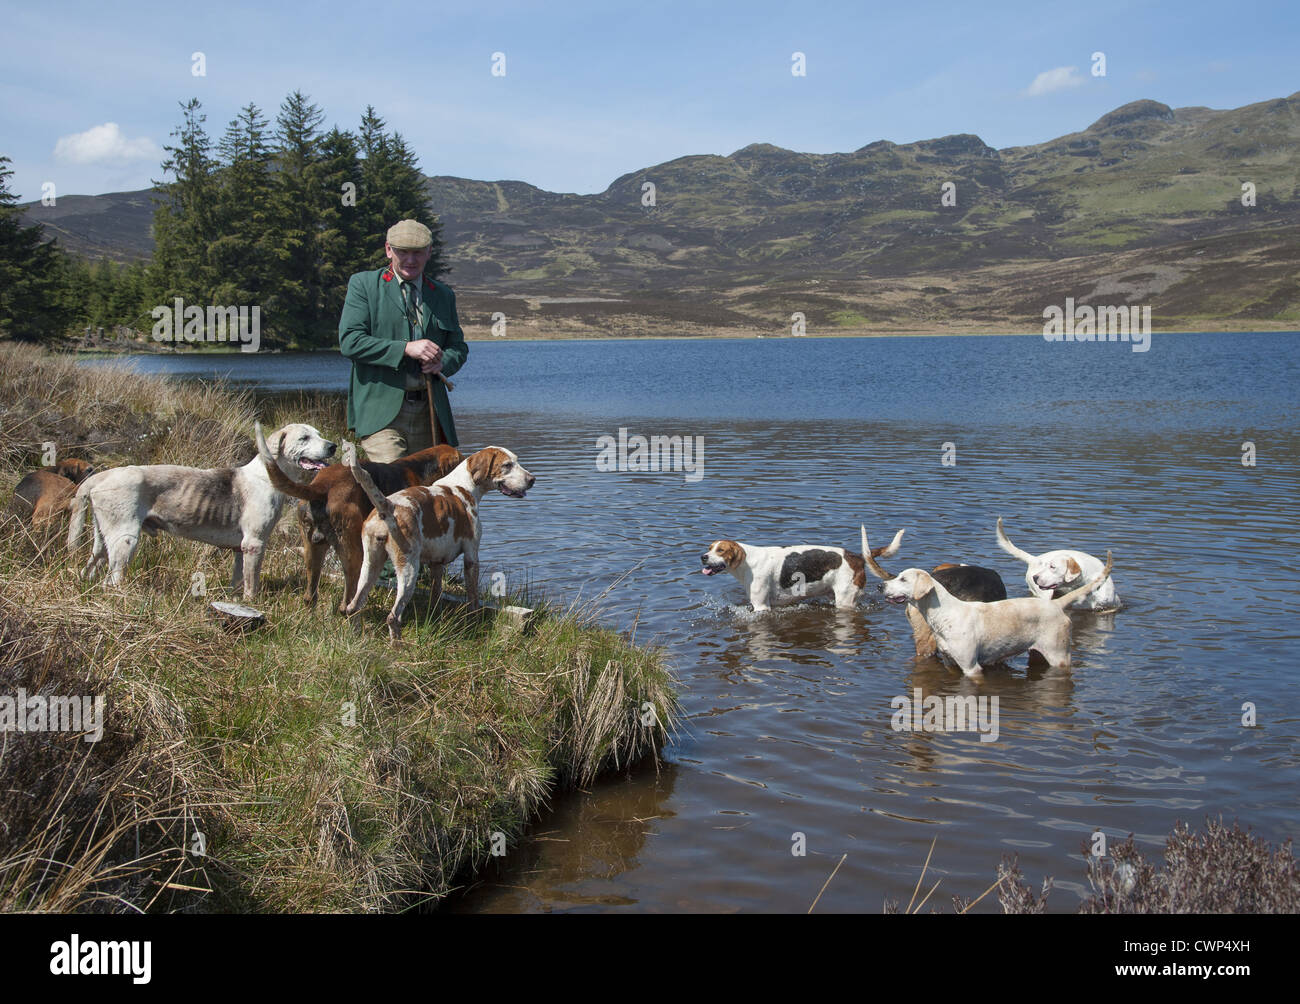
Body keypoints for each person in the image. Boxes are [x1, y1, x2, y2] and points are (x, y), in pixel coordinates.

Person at [339, 219, 468, 462]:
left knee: (427, 493)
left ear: (429, 252)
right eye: (403, 252)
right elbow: (350, 341)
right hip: (381, 414)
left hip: (430, 413)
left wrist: (443, 363)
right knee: (395, 485)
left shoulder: (443, 295)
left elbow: (458, 348)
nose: (411, 260)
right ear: (389, 250)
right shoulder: (363, 285)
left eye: (418, 253)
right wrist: (406, 348)